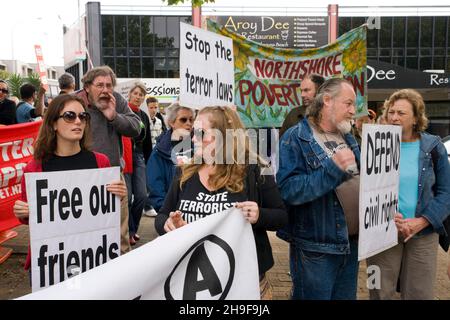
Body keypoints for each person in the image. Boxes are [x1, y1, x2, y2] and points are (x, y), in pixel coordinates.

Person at [155, 106, 287, 299]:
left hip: (244, 281)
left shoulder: (255, 170)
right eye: (193, 133)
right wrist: (168, 224)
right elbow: (161, 216)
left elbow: (282, 217)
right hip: (194, 281)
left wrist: (259, 215)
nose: (193, 139)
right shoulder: (185, 173)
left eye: (201, 134)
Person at [13, 94, 127, 275]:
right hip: (52, 261)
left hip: (93, 257)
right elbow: (30, 218)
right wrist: (24, 212)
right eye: (69, 116)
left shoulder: (101, 162)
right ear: (53, 124)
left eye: (83, 116)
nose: (78, 121)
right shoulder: (35, 167)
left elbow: (104, 213)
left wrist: (118, 196)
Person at [276, 78, 360, 300]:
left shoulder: (348, 137)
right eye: (348, 103)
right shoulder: (296, 137)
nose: (354, 110)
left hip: (350, 245)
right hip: (317, 250)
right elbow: (289, 190)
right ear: (327, 101)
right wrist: (332, 169)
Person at [367, 89, 450, 300]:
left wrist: (422, 221)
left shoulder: (433, 146)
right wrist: (385, 213)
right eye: (391, 112)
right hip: (382, 230)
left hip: (423, 232)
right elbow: (366, 187)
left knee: (419, 293)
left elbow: (446, 192)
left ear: (415, 118)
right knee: (378, 292)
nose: (394, 117)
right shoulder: (376, 144)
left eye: (401, 113)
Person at [76, 65, 142, 253]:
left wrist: (113, 116)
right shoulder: (73, 102)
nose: (105, 90)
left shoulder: (117, 100)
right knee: (85, 232)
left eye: (109, 85)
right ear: (87, 87)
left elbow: (136, 128)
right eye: (100, 85)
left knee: (119, 235)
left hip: (112, 177)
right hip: (80, 177)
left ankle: (122, 276)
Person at [146, 102, 194, 213]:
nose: (189, 123)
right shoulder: (159, 151)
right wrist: (167, 213)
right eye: (183, 120)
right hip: (172, 215)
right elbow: (155, 188)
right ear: (171, 123)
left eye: (191, 120)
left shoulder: (201, 146)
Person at [125, 82, 152, 245]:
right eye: (135, 93)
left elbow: (148, 142)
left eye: (141, 94)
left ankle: (133, 227)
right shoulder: (123, 111)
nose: (138, 96)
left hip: (139, 157)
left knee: (141, 195)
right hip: (125, 158)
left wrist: (149, 164)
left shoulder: (143, 116)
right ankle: (129, 230)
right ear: (130, 95)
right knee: (127, 198)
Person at [279, 74, 325, 138]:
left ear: (319, 91)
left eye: (306, 90)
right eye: (301, 91)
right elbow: (282, 143)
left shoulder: (332, 114)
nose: (302, 95)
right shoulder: (294, 115)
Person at [143, 96, 166, 217]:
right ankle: (147, 206)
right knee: (146, 181)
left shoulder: (159, 121)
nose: (153, 110)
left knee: (153, 180)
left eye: (155, 107)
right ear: (147, 107)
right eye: (151, 107)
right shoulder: (143, 119)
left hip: (155, 155)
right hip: (145, 154)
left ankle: (149, 204)